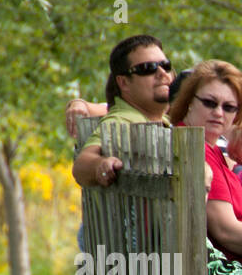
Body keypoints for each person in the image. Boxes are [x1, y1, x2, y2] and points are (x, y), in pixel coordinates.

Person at [167, 60, 242, 275]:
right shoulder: (194, 150)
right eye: (210, 103)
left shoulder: (213, 149)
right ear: (189, 101)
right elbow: (227, 231)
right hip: (232, 272)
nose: (218, 113)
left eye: (229, 107)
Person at [70, 35, 173, 188]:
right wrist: (101, 165)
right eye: (147, 68)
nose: (162, 73)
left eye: (165, 65)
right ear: (124, 83)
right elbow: (81, 166)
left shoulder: (162, 118)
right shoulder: (123, 121)